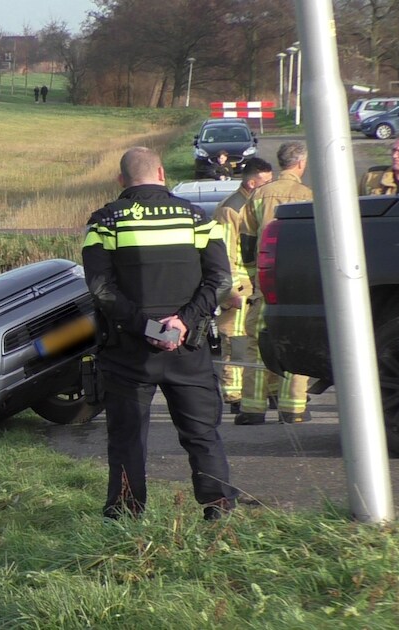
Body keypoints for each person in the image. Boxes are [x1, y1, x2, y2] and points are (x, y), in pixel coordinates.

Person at [82, 146, 238, 521]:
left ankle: (125, 515)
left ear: (121, 180)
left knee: (127, 437)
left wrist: (147, 327)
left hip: (128, 351)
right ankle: (218, 509)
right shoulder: (197, 218)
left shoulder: (105, 222)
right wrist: (183, 321)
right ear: (162, 173)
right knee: (201, 433)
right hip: (188, 347)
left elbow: (101, 290)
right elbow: (220, 280)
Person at [237, 141, 313, 425]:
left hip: (265, 282)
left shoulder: (258, 196)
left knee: (257, 343)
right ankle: (293, 409)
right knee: (296, 341)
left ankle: (252, 409)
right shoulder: (309, 196)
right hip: (299, 282)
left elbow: (246, 242)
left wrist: (252, 277)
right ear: (301, 163)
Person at [212, 157, 273, 416]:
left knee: (258, 342)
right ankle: (235, 395)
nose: (270, 187)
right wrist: (232, 291)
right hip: (240, 289)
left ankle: (265, 391)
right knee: (236, 343)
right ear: (252, 183)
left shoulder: (255, 206)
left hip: (256, 287)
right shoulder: (231, 209)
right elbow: (225, 255)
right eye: (266, 182)